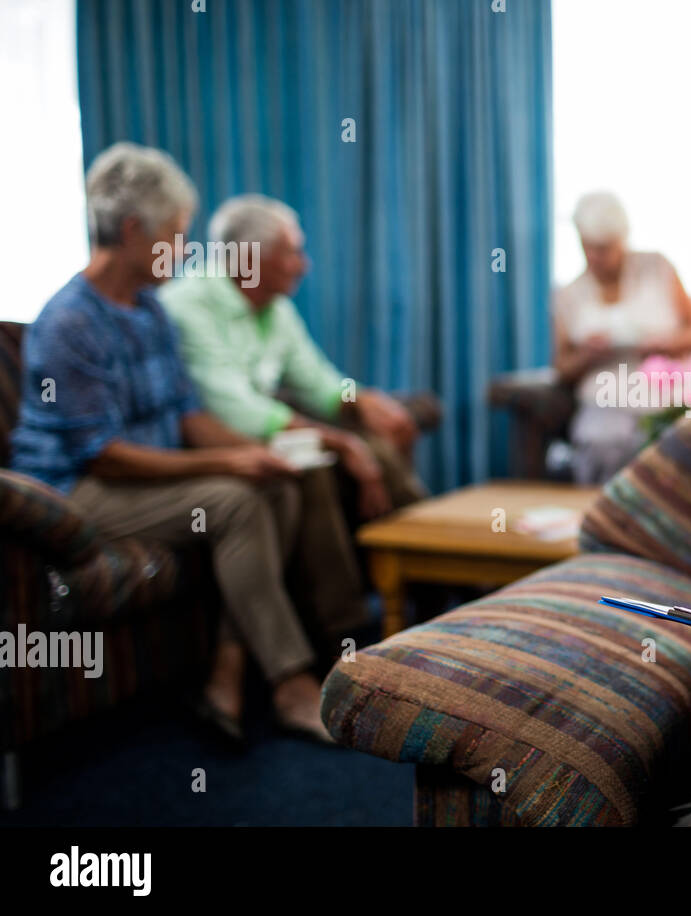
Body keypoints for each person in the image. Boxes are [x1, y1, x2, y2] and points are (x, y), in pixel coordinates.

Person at [8, 143, 341, 745]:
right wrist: (229, 460)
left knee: (274, 488)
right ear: (134, 231)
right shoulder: (70, 322)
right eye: (176, 235)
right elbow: (102, 453)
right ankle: (291, 685)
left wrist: (252, 454)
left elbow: (187, 415)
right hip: (73, 495)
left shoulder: (151, 312)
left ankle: (228, 672)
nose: (186, 250)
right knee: (237, 497)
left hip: (135, 480)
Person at [158, 194, 432, 526]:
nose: (304, 265)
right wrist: (340, 442)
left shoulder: (275, 307)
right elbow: (236, 411)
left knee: (377, 445)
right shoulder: (188, 305)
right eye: (291, 252)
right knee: (310, 468)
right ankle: (348, 578)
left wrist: (362, 400)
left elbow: (315, 379)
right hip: (212, 438)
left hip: (259, 429)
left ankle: (422, 549)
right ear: (250, 258)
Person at [552, 191, 691, 484]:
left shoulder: (658, 267)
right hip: (604, 399)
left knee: (678, 442)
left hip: (665, 394)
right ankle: (604, 520)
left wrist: (665, 343)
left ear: (623, 239)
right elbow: (561, 367)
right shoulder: (568, 295)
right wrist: (587, 353)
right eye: (588, 247)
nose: (595, 257)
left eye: (605, 248)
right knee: (603, 441)